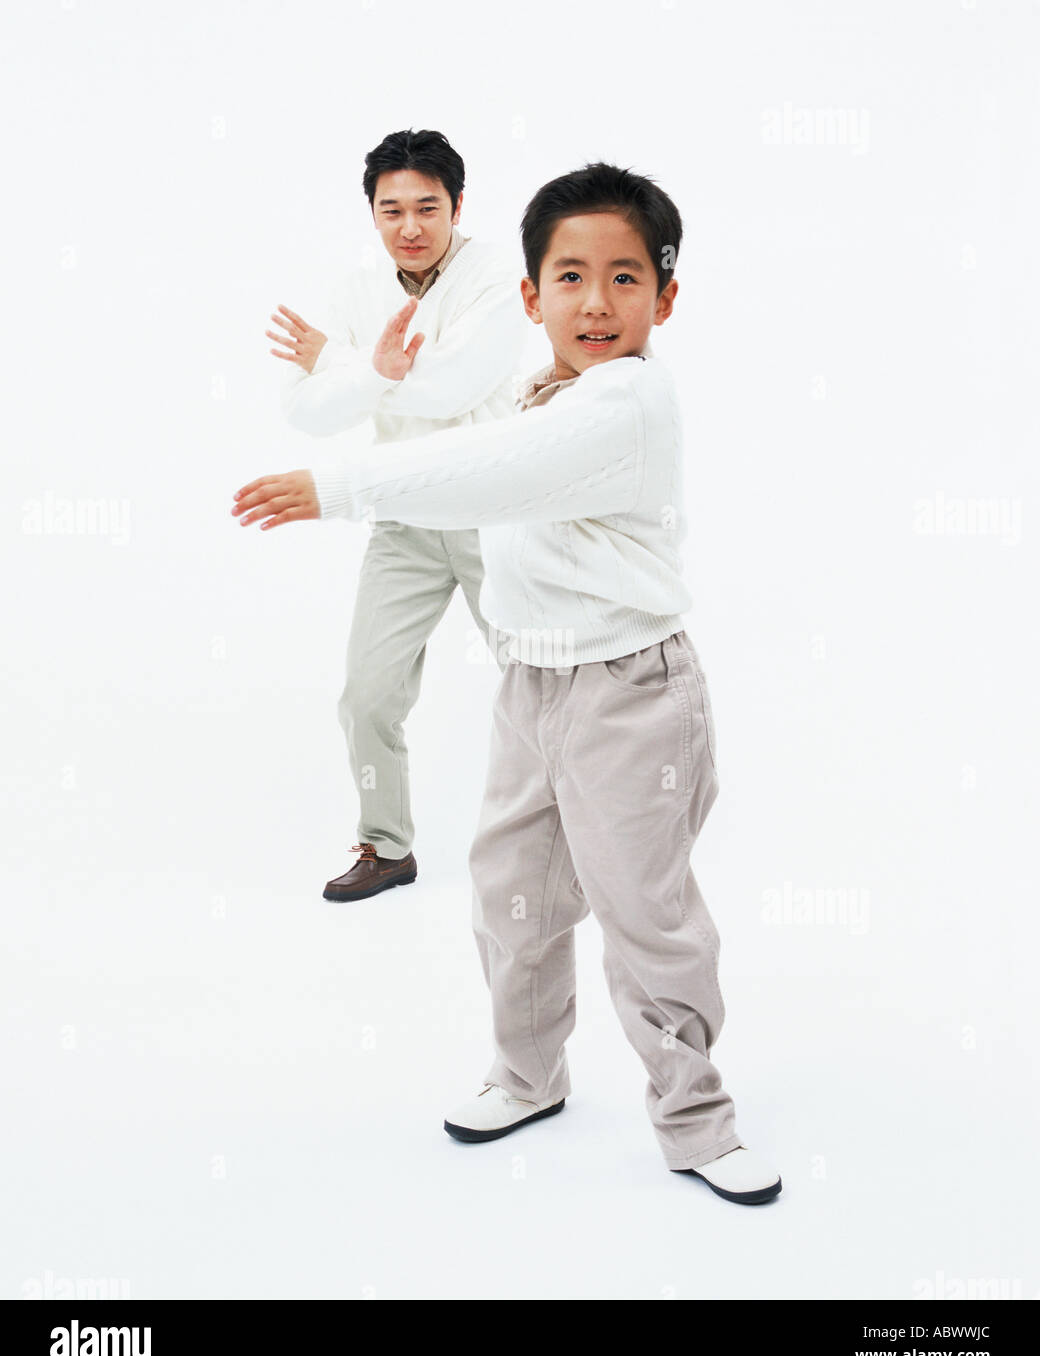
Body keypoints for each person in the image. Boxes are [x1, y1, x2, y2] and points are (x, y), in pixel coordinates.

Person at [233, 162, 781, 1204]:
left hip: (629, 696)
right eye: (568, 276)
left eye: (625, 278)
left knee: (643, 914)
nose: (595, 301)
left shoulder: (626, 398)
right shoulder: (546, 386)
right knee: (512, 896)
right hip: (532, 688)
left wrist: (340, 485)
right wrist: (359, 376)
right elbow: (487, 442)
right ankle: (528, 1074)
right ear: (529, 296)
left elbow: (493, 471)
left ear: (665, 298)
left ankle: (695, 1116)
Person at [267, 128, 527, 903]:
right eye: (391, 211)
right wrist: (369, 373)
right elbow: (308, 415)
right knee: (368, 694)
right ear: (372, 214)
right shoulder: (356, 289)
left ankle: (574, 836)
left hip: (493, 510)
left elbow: (452, 389)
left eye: (427, 207)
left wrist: (347, 368)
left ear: (456, 205)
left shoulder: (493, 280)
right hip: (404, 518)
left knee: (538, 684)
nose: (409, 227)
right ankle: (387, 847)